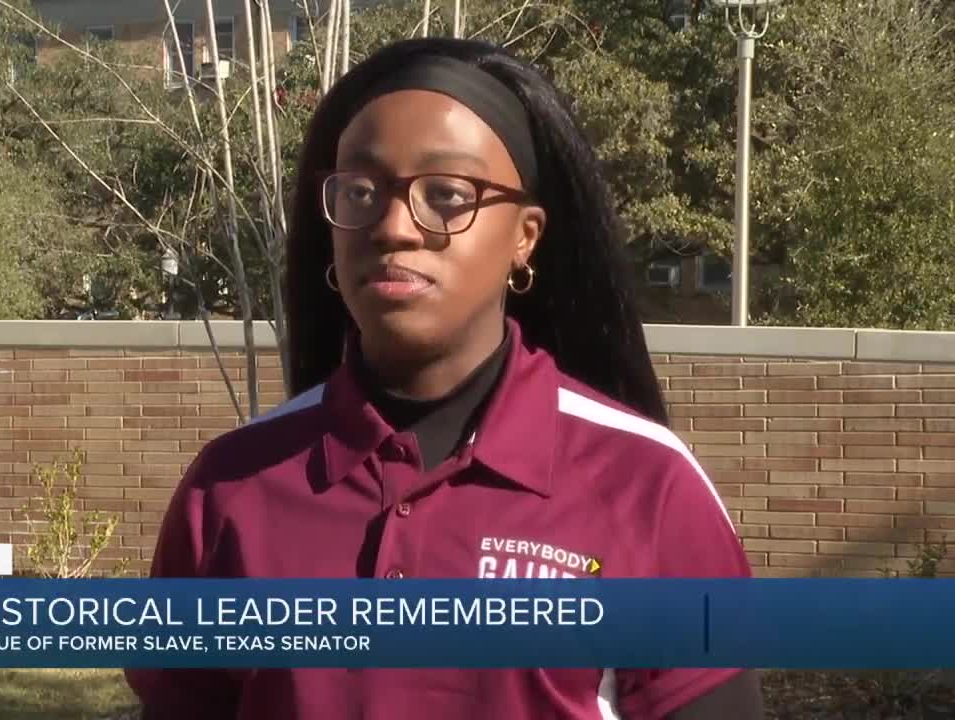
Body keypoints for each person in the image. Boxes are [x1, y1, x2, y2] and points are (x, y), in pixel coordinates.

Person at [124, 37, 764, 720]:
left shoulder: (648, 487)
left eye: (447, 195)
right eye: (362, 192)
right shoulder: (229, 490)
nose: (394, 226)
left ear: (525, 236)